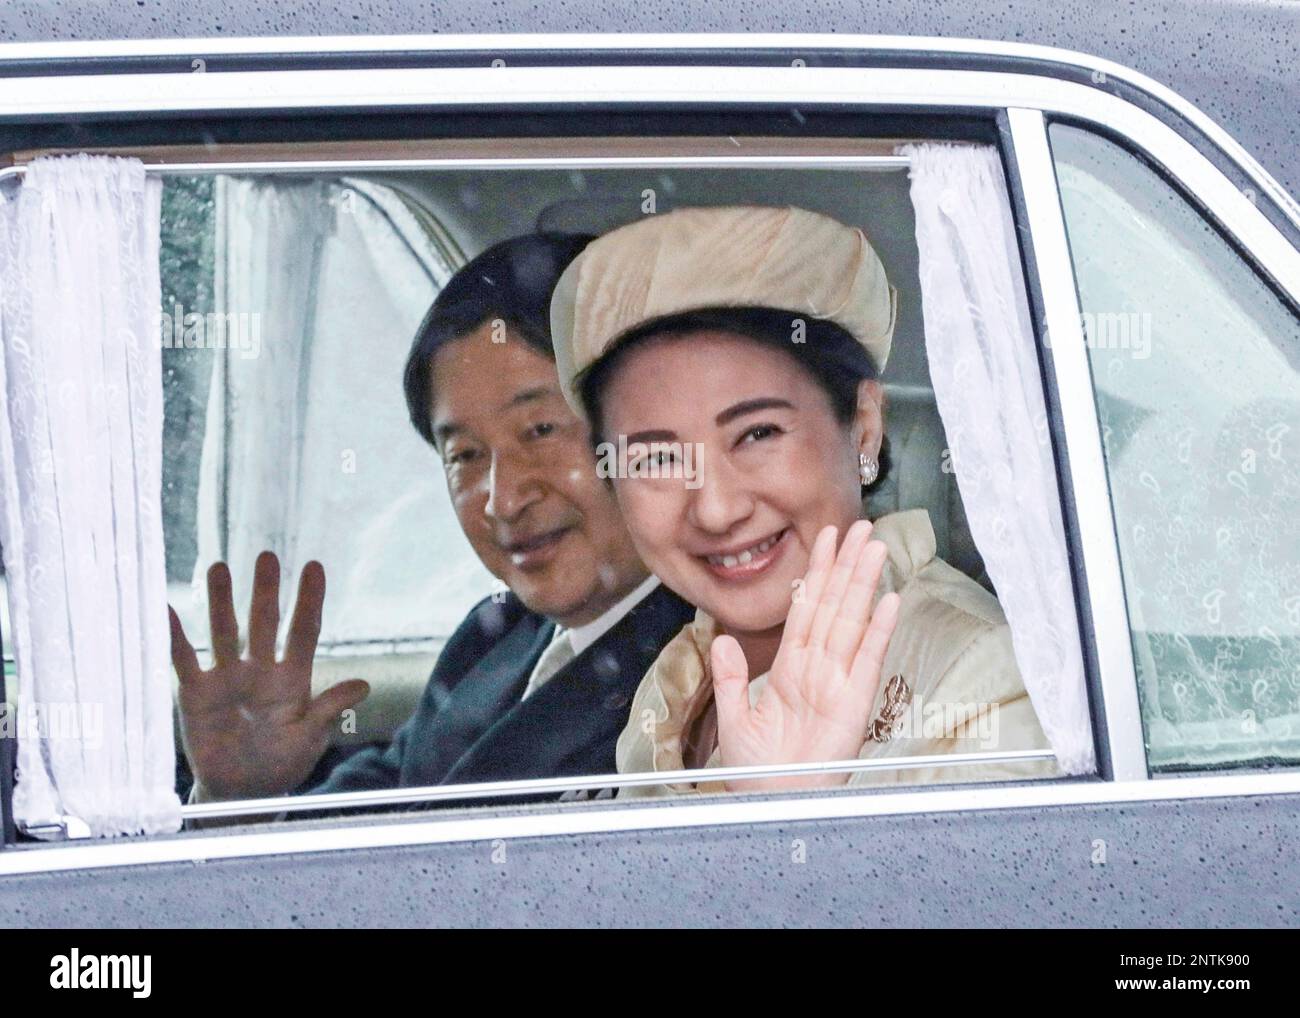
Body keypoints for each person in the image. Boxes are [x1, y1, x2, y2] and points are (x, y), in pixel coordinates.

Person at [169, 232, 694, 807]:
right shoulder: (493, 639)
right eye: (465, 455)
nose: (502, 499)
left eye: (541, 430)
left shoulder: (700, 676)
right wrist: (237, 800)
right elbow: (381, 811)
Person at [550, 204, 1059, 796]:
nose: (716, 509)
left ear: (863, 425)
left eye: (758, 434)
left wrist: (788, 809)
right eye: (658, 460)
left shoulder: (986, 684)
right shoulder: (677, 682)